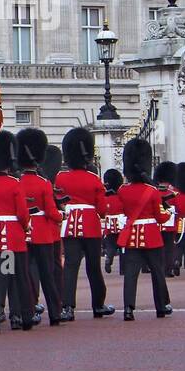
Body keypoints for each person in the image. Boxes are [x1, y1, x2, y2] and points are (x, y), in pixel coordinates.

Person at [0, 130, 33, 334]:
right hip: (13, 239)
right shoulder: (14, 184)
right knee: (17, 279)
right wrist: (26, 227)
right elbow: (22, 213)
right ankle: (19, 317)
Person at [55, 126, 113, 319]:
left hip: (70, 225)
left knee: (70, 266)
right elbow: (102, 210)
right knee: (93, 267)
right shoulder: (94, 179)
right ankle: (98, 305)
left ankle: (68, 307)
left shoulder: (61, 177)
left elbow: (59, 200)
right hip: (90, 226)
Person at [115, 138, 172, 321]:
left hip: (132, 236)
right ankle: (161, 306)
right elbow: (160, 217)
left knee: (131, 274)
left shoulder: (123, 190)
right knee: (157, 271)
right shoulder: (152, 191)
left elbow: (123, 210)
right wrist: (169, 212)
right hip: (151, 236)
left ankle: (128, 309)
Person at [16, 128, 63, 327]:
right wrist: (61, 216)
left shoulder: (17, 182)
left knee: (25, 274)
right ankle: (55, 312)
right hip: (43, 234)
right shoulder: (44, 183)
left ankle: (27, 309)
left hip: (23, 232)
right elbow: (52, 211)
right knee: (48, 274)